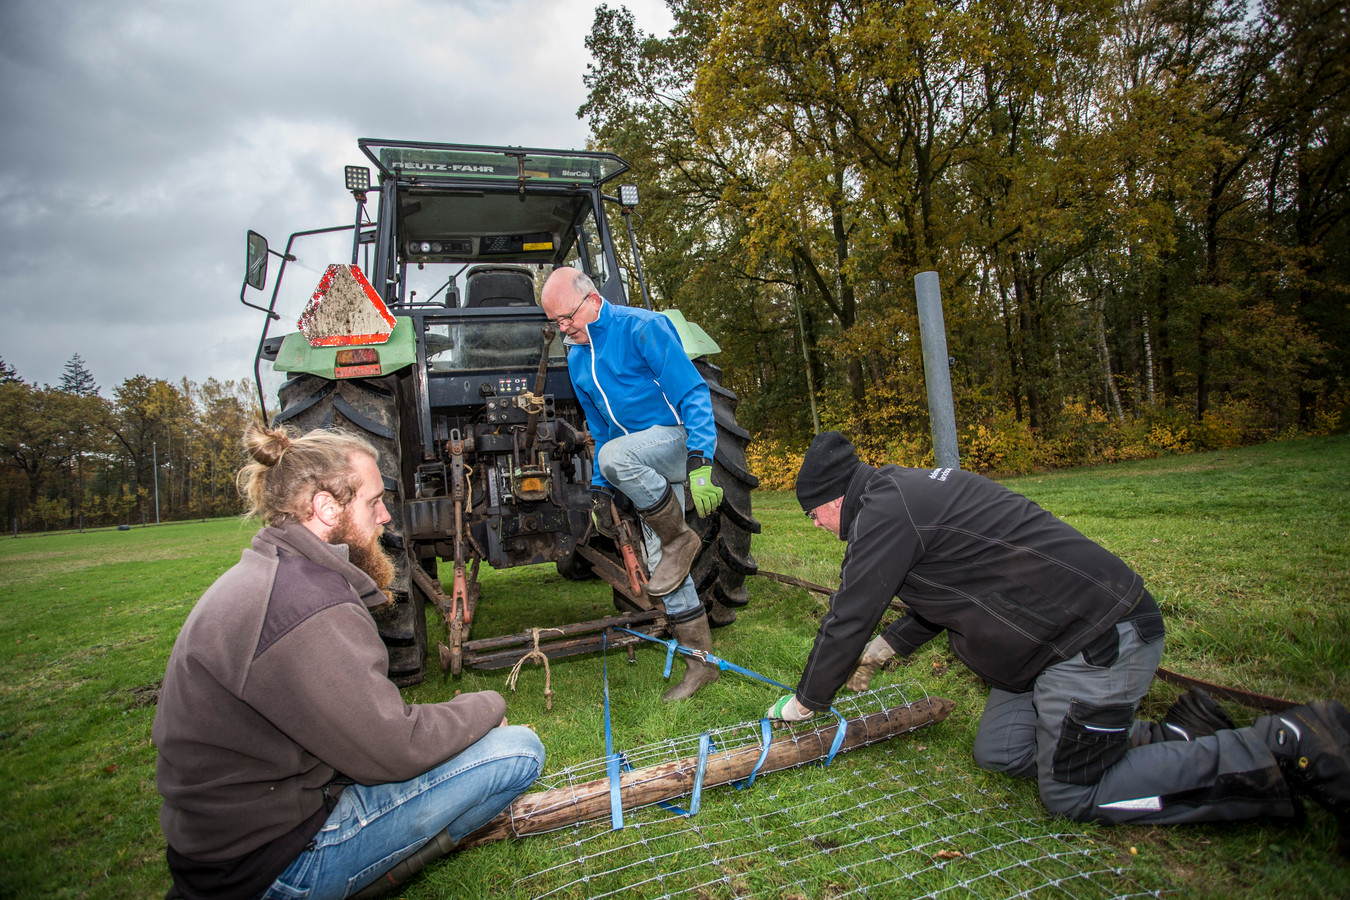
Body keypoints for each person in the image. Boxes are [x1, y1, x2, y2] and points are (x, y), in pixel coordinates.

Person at [766, 430, 1349, 855]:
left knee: (1070, 793)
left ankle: (1281, 744)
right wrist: (888, 648)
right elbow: (941, 590)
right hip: (1044, 653)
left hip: (1096, 637)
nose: (815, 526)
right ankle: (1174, 736)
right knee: (1001, 754)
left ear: (837, 497)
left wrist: (809, 701)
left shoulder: (888, 512)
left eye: (813, 514)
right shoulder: (900, 496)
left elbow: (849, 613)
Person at [152, 422, 545, 900]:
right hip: (273, 866)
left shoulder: (273, 574)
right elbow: (393, 748)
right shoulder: (309, 604)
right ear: (325, 507)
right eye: (373, 501)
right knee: (519, 751)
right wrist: (484, 708)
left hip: (228, 850)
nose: (385, 517)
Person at [540, 267, 724, 701]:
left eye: (566, 318)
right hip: (638, 462)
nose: (562, 329)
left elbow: (693, 393)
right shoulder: (577, 357)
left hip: (678, 442)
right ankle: (701, 665)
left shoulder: (643, 328)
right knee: (665, 565)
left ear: (590, 300)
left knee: (616, 456)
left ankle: (680, 535)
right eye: (555, 324)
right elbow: (602, 431)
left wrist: (700, 460)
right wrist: (602, 489)